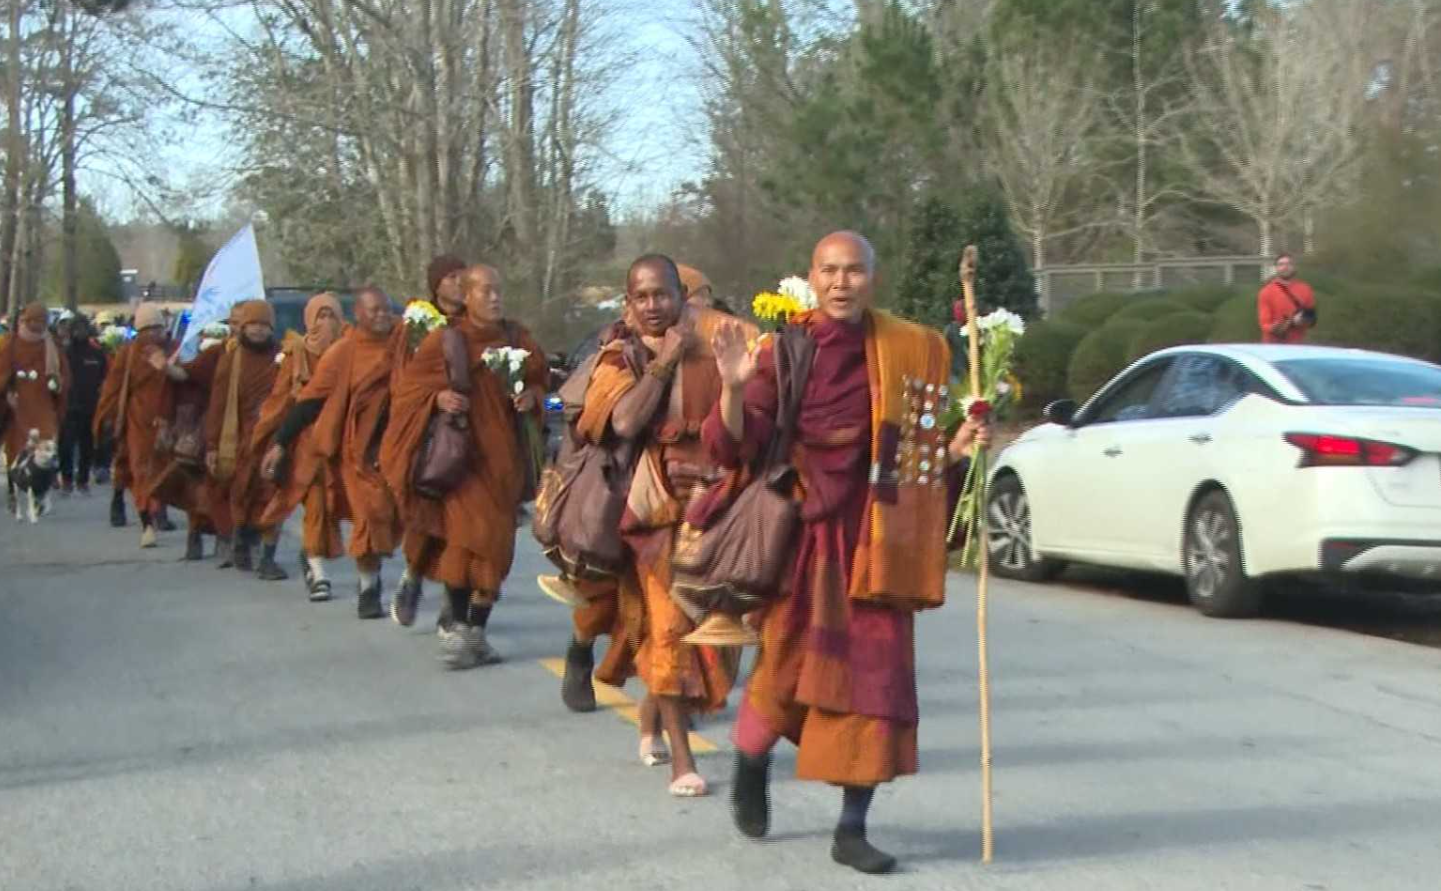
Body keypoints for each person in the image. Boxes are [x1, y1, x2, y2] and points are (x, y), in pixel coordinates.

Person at [705, 231, 990, 874]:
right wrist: (732, 388)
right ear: (811, 278)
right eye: (829, 271)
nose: (841, 283)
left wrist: (958, 446)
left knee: (875, 683)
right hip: (804, 541)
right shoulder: (784, 352)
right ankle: (751, 760)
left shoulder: (908, 351)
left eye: (854, 270)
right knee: (784, 670)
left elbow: (917, 458)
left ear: (872, 278)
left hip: (878, 541)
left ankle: (852, 827)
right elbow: (733, 448)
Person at [573, 254, 751, 797]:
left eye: (663, 294)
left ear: (681, 297)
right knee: (669, 628)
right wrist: (666, 359)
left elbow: (748, 419)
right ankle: (682, 760)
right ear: (629, 302)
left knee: (717, 635)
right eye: (642, 296)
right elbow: (624, 421)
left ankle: (651, 718)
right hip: (651, 512)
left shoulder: (716, 343)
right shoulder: (620, 353)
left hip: (716, 504)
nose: (653, 305)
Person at [380, 264, 548, 668]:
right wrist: (437, 399)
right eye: (485, 291)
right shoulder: (446, 340)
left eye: (498, 290)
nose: (495, 298)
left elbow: (542, 379)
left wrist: (533, 397)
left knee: (497, 549)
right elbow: (408, 392)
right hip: (462, 462)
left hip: (504, 463)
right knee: (465, 540)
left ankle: (475, 632)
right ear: (466, 296)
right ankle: (457, 628)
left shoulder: (517, 338)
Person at [263, 287, 405, 618]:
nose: (382, 315)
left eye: (386, 309)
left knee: (387, 517)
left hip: (395, 448)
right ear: (358, 314)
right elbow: (309, 402)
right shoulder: (344, 352)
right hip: (355, 452)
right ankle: (369, 589)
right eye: (374, 310)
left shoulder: (405, 345)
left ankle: (382, 580)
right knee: (367, 517)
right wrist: (281, 443)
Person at [391, 254, 469, 625]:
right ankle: (412, 576)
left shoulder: (476, 323)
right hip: (429, 437)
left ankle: (454, 605)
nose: (459, 283)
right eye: (451, 277)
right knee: (426, 520)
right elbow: (404, 384)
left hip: (471, 435)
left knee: (466, 523)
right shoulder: (418, 324)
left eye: (463, 276)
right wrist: (434, 399)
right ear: (436, 285)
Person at [252, 293, 345, 590]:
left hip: (336, 443)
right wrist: (273, 440)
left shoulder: (349, 353)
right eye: (321, 316)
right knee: (286, 499)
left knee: (324, 505)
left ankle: (315, 564)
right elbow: (280, 401)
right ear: (309, 320)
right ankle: (274, 556)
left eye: (332, 316)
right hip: (298, 442)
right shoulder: (296, 355)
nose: (326, 323)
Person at [195, 300, 281, 573]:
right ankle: (242, 535)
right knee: (241, 493)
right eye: (252, 324)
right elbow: (218, 406)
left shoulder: (283, 357)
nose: (258, 330)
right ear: (243, 327)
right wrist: (212, 445)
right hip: (239, 440)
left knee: (272, 495)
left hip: (273, 439)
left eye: (264, 325)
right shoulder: (232, 359)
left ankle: (266, 556)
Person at [92, 303, 172, 547]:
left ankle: (159, 509)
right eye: (148, 330)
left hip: (166, 421)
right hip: (135, 421)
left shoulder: (171, 351)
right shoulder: (128, 354)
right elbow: (112, 388)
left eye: (158, 329)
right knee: (136, 468)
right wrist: (105, 418)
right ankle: (145, 520)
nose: (154, 334)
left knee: (164, 469)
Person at [1, 303, 71, 512]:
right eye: (36, 321)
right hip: (17, 408)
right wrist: (7, 391)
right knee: (16, 451)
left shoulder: (51, 346)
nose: (39, 325)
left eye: (43, 321)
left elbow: (64, 375)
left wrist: (58, 384)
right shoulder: (10, 343)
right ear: (26, 321)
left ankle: (40, 493)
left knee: (45, 451)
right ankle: (13, 490)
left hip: (43, 407)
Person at [58, 316, 105, 495]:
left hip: (91, 406)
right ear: (71, 331)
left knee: (87, 445)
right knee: (66, 446)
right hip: (68, 407)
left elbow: (104, 378)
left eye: (83, 328)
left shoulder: (97, 354)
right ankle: (67, 480)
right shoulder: (64, 354)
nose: (80, 332)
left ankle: (83, 480)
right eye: (76, 328)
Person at [1258, 253, 1317, 344]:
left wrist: (1303, 320)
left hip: (1298, 344)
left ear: (1294, 267)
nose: (1285, 267)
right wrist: (1290, 322)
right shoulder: (1266, 291)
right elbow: (1265, 325)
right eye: (1281, 264)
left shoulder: (1305, 289)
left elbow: (1312, 318)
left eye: (1289, 264)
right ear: (1276, 268)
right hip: (1273, 345)